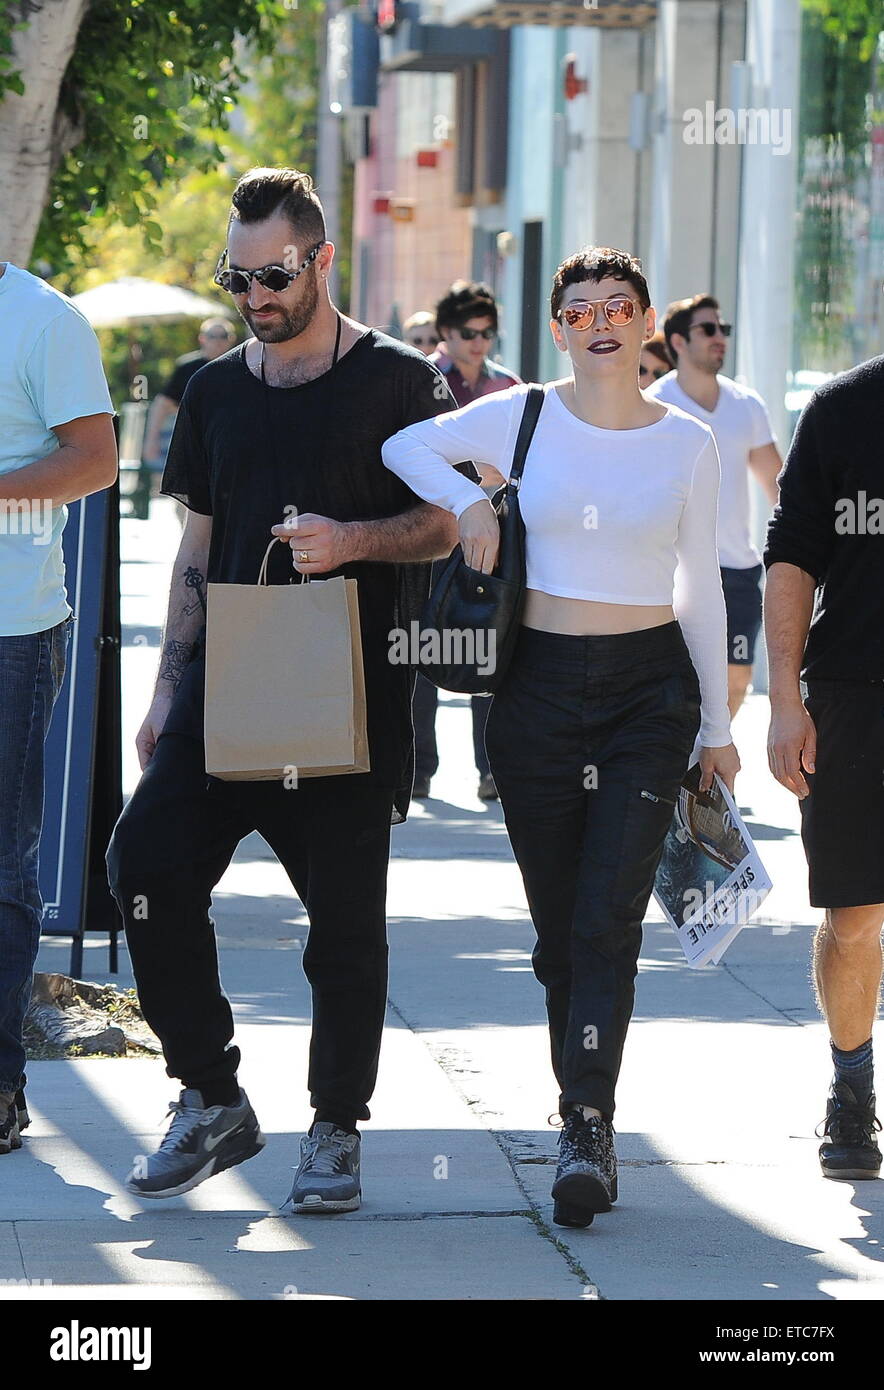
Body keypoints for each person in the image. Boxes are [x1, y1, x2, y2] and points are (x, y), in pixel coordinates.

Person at [105, 167, 458, 1210]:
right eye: (238, 276)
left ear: (320, 260)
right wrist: (167, 688)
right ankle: (211, 1095)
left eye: (274, 274)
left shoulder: (401, 381)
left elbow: (444, 524)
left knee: (345, 927)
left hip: (348, 689)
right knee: (143, 865)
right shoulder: (215, 391)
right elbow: (194, 550)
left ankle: (335, 1127)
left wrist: (351, 540)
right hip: (227, 681)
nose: (255, 295)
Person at [383, 246, 738, 1229]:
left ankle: (586, 1120)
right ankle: (576, 1100)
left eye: (616, 306)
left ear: (644, 322)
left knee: (604, 919)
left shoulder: (687, 441)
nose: (598, 322)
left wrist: (715, 725)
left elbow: (700, 587)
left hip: (646, 697)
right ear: (556, 329)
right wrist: (467, 503)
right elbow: (404, 447)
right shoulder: (520, 414)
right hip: (533, 694)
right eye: (578, 309)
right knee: (555, 936)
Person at [0, 262, 117, 1154]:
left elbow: (96, 458)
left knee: (3, 864)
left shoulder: (43, 318)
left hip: (10, 630)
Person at [764, 354, 884, 1182]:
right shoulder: (843, 410)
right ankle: (851, 1085)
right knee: (857, 917)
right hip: (855, 694)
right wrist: (782, 699)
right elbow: (793, 554)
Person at [648, 295, 782, 719]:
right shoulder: (653, 404)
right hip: (672, 569)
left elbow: (778, 485)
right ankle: (682, 774)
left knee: (735, 679)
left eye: (723, 329)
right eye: (708, 330)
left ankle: (709, 776)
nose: (719, 337)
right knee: (676, 680)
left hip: (738, 571)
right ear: (678, 342)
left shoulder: (747, 405)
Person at [413, 282, 522, 801]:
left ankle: (492, 769)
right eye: (467, 332)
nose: (479, 341)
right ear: (445, 332)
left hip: (496, 534)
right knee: (421, 649)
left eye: (486, 331)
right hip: (430, 535)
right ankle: (417, 768)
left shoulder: (509, 385)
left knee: (490, 646)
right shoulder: (422, 378)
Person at [141, 319, 238, 468]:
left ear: (231, 339)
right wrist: (151, 441)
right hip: (189, 440)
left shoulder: (241, 366)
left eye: (223, 336)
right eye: (212, 336)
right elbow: (162, 404)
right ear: (202, 338)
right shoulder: (187, 367)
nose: (218, 341)